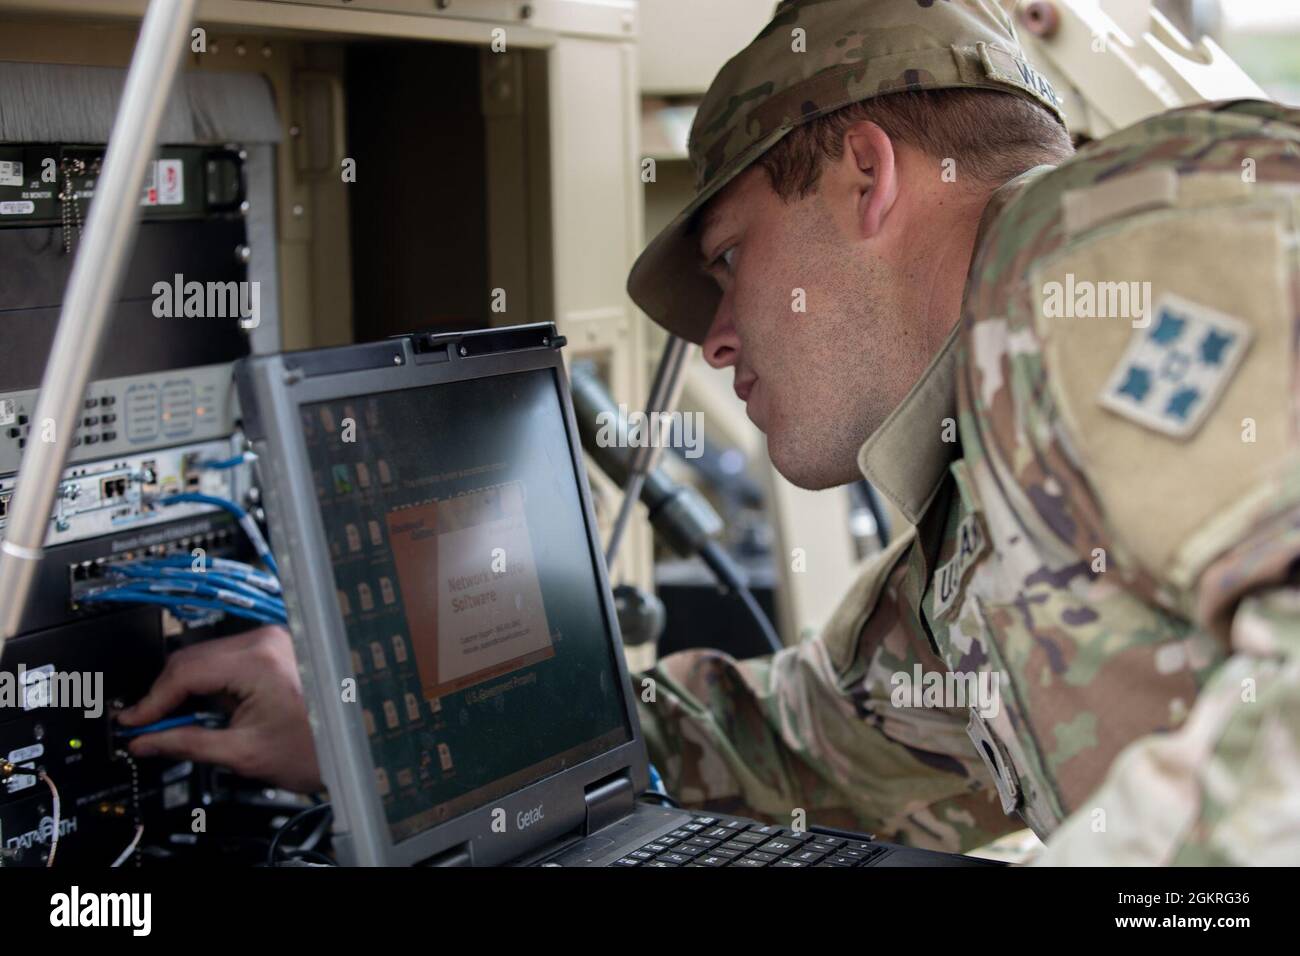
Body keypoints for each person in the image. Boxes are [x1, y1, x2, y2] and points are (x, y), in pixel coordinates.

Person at [119, 0, 1300, 864]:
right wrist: (361, 732)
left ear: (865, 176)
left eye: (729, 260)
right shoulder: (979, 512)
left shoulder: (1107, 249)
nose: (721, 337)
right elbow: (810, 746)